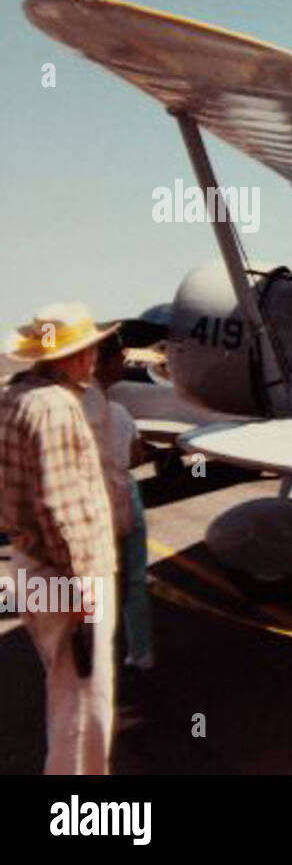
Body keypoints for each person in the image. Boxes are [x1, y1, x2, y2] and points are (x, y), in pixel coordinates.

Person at [0, 302, 119, 774]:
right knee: (85, 703)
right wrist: (82, 595)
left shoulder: (15, 396)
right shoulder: (55, 406)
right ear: (64, 358)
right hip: (70, 574)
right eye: (85, 351)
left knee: (63, 686)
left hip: (31, 564)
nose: (92, 360)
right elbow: (58, 506)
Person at [82, 333, 154, 670]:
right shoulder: (120, 413)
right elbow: (137, 455)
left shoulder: (74, 407)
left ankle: (91, 651)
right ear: (105, 362)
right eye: (119, 358)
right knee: (134, 579)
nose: (124, 363)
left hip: (89, 502)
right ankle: (140, 652)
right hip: (124, 498)